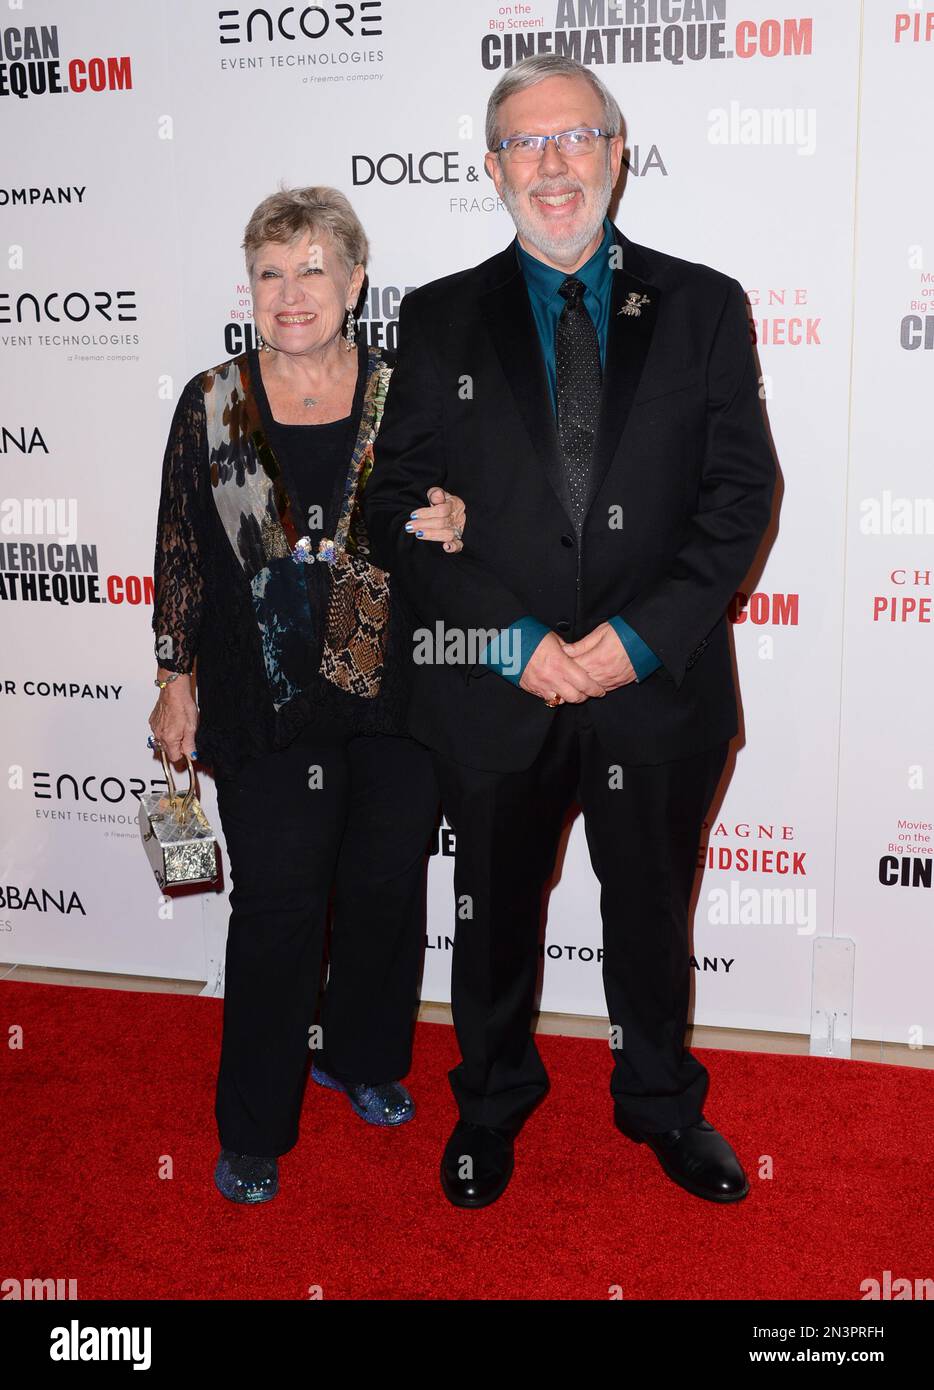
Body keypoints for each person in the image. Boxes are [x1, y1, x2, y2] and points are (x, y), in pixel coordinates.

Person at [364, 56, 776, 1209]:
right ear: (492, 168)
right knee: (490, 913)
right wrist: (516, 641)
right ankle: (488, 1104)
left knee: (650, 909)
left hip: (657, 684)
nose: (552, 166)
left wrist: (637, 641)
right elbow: (399, 507)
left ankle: (661, 1102)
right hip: (496, 688)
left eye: (574, 138)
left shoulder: (702, 305)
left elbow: (738, 496)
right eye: (524, 144)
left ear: (615, 151)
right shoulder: (440, 315)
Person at [149, 186, 466, 1205]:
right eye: (270, 273)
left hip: (396, 688)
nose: (290, 294)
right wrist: (173, 677)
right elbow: (183, 550)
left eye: (312, 269)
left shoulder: (406, 390)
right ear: (250, 287)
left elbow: (466, 514)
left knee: (383, 890)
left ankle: (362, 1057)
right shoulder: (211, 399)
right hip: (266, 695)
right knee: (278, 909)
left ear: (356, 281)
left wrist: (460, 517)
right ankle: (253, 1122)